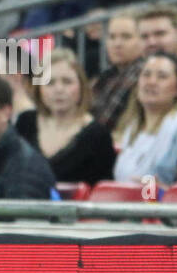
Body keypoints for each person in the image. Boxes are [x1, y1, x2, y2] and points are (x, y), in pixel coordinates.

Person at [15, 49, 117, 186]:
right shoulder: (25, 122)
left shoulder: (98, 136)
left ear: (81, 86)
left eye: (67, 82)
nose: (59, 89)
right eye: (50, 83)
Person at [113, 51, 177, 185]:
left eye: (162, 76)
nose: (151, 82)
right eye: (146, 75)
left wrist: (149, 192)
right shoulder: (131, 126)